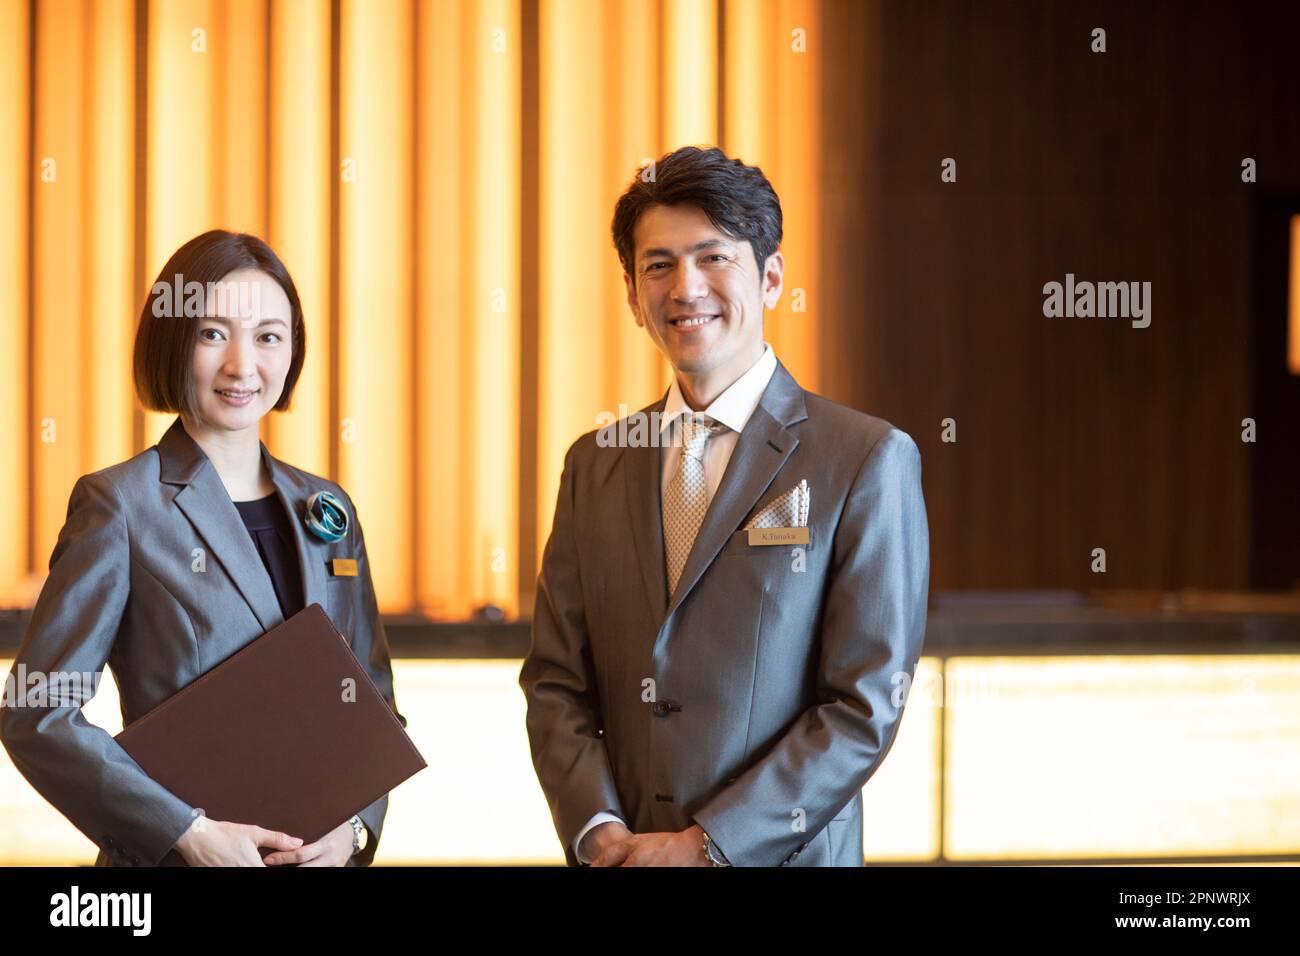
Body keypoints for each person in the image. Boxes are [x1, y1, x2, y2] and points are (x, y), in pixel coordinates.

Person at [520, 146, 930, 866]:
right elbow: (557, 682)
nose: (686, 287)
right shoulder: (596, 463)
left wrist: (709, 845)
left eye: (714, 258)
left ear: (770, 278)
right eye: (659, 264)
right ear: (630, 292)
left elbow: (864, 704)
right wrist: (598, 831)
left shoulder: (864, 457)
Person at [0, 229, 403, 867]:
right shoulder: (121, 504)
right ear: (172, 341)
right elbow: (36, 712)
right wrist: (185, 832)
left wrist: (352, 827)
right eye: (213, 334)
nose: (243, 366)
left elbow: (372, 698)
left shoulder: (327, 508)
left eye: (268, 336)